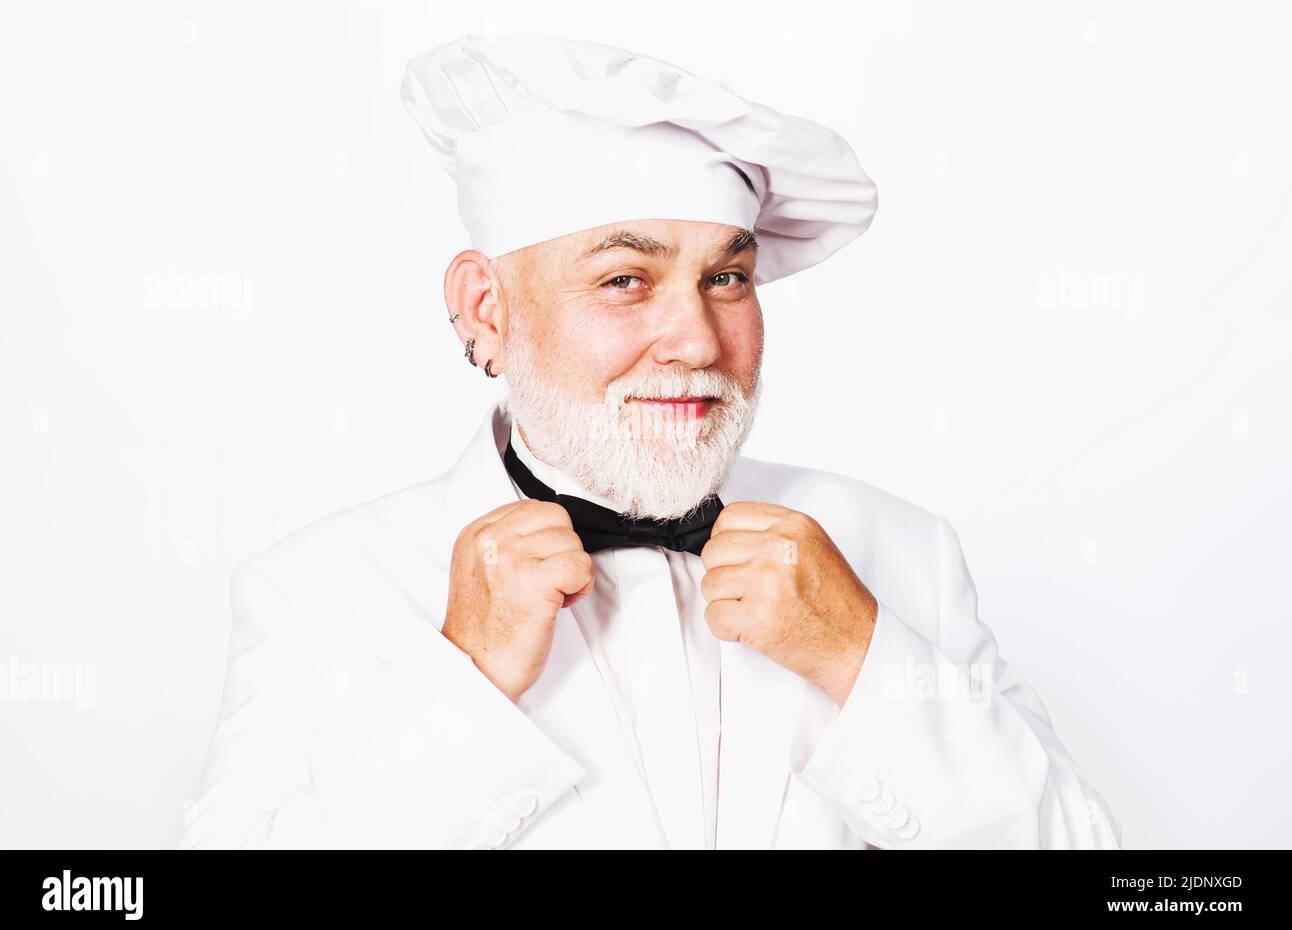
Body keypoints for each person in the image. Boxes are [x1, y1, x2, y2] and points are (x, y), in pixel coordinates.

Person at [181, 33, 1121, 850]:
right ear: (485, 310)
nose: (697, 343)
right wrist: (459, 681)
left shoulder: (902, 553)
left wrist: (862, 659)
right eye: (626, 279)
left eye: (727, 278)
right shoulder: (319, 590)